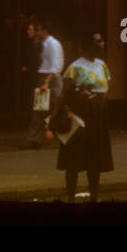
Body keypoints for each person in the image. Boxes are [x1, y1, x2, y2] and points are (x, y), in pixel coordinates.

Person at [47, 32, 114, 203]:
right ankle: (71, 198)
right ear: (88, 45)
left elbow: (107, 88)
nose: (102, 43)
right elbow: (64, 94)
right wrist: (52, 119)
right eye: (98, 41)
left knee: (95, 159)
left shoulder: (102, 65)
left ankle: (94, 196)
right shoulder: (75, 67)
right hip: (80, 117)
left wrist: (97, 100)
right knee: (74, 159)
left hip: (97, 117)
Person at [22, 21, 63, 149]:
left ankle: (71, 133)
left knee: (59, 106)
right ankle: (34, 140)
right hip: (45, 78)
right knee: (39, 109)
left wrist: (46, 82)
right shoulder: (44, 44)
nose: (37, 32)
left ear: (45, 31)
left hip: (51, 79)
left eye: (39, 30)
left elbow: (55, 65)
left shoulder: (53, 44)